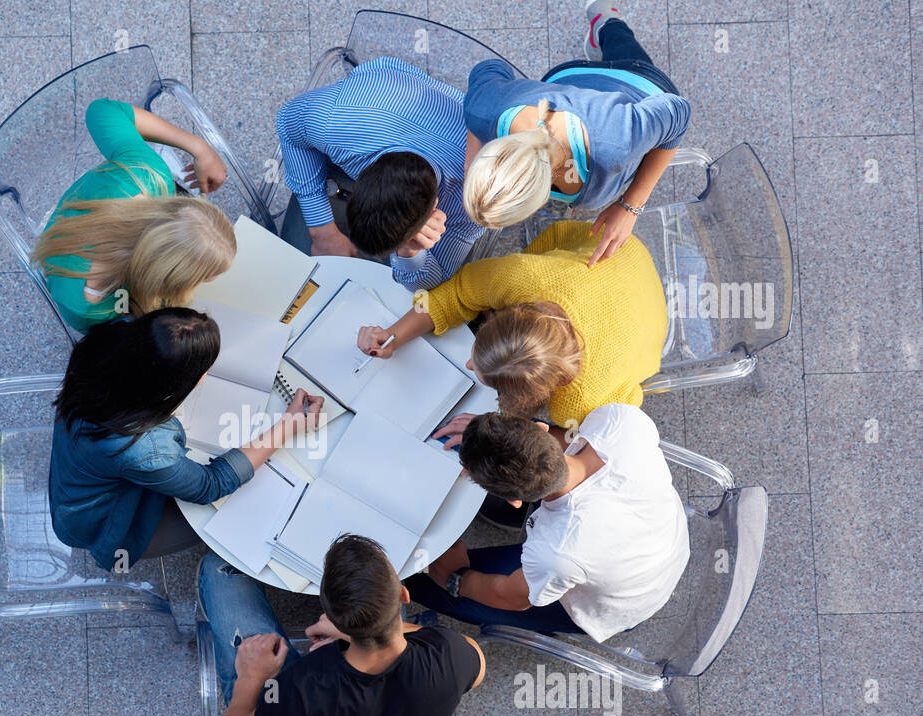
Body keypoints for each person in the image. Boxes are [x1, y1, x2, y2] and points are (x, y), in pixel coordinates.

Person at [202, 534, 485, 716]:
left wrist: (250, 680)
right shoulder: (449, 655)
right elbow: (478, 664)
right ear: (403, 595)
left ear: (332, 617)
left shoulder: (294, 689)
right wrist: (368, 629)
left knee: (219, 568)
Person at [48, 308, 323, 571]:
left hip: (78, 477)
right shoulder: (144, 449)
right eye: (202, 371)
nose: (205, 376)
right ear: (169, 386)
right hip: (102, 520)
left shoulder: (108, 339)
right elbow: (211, 484)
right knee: (222, 515)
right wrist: (290, 424)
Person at [407, 406, 690, 643]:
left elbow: (512, 596)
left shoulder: (556, 553)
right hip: (667, 538)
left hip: (630, 600)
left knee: (419, 578)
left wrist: (455, 579)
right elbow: (570, 437)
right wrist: (497, 438)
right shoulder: (621, 422)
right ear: (542, 429)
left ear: (514, 500)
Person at [356, 219, 666, 429]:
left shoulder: (581, 401)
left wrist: (508, 435)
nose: (467, 362)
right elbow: (455, 293)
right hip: (618, 247)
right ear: (500, 316)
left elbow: (605, 432)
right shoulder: (519, 276)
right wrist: (391, 337)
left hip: (646, 326)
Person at [461, 2, 691, 264]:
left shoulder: (616, 142)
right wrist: (472, 156)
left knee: (626, 50)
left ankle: (607, 20)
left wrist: (630, 207)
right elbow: (488, 69)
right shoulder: (483, 112)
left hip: (639, 83)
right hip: (569, 75)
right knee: (616, 42)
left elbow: (679, 113)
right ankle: (605, 26)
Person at [274, 56, 485, 291]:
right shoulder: (336, 121)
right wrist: (323, 232)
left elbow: (435, 284)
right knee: (291, 280)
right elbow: (288, 123)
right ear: (362, 174)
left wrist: (409, 250)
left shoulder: (478, 197)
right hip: (371, 108)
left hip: (446, 131)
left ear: (436, 206)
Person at [31, 98, 236, 334]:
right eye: (199, 279)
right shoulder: (89, 305)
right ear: (160, 279)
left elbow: (103, 110)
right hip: (65, 258)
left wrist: (199, 147)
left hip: (78, 220)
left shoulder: (147, 174)